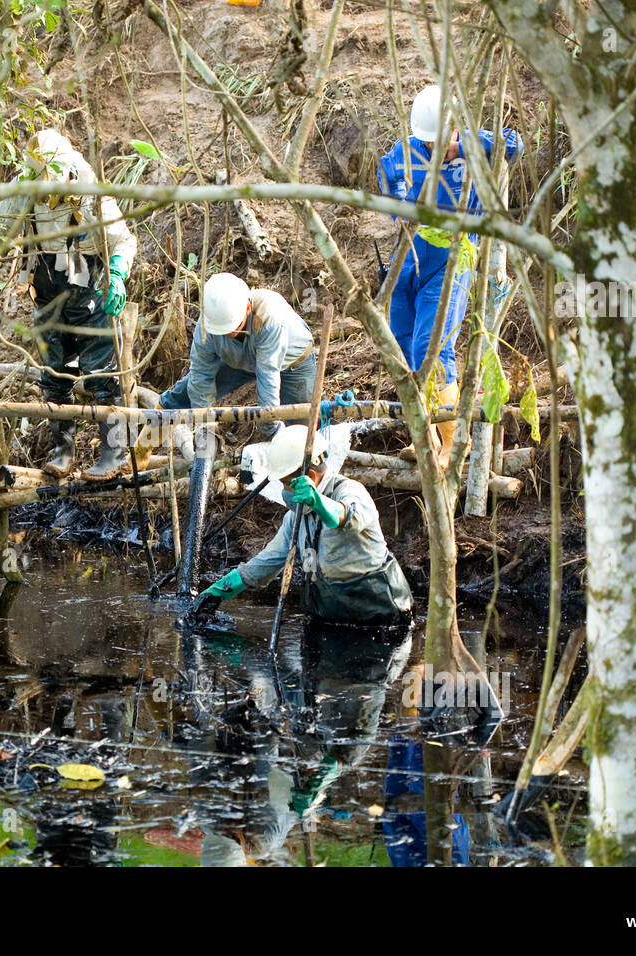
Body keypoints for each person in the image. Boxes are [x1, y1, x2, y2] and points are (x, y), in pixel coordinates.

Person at [0, 129, 137, 480]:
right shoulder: (26, 185)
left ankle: (115, 452)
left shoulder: (92, 191)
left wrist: (119, 274)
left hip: (90, 288)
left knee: (100, 371)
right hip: (46, 289)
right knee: (52, 373)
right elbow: (1, 227)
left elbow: (124, 240)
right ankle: (62, 451)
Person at [377, 85, 523, 467]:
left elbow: (515, 146)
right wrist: (398, 210)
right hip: (408, 258)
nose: (433, 149)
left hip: (452, 259)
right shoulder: (405, 153)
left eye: (440, 141)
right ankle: (424, 438)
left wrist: (468, 146)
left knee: (433, 346)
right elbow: (387, 178)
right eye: (428, 142)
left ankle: (453, 442)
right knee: (403, 345)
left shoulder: (474, 150)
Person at [199, 424, 412, 625]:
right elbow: (262, 566)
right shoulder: (295, 519)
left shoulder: (350, 492)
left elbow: (346, 518)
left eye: (285, 484)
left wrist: (317, 502)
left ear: (310, 476)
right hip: (329, 619)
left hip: (380, 619)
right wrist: (216, 592)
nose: (284, 492)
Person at [158, 273, 315, 437]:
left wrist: (270, 427)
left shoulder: (269, 317)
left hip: (293, 364)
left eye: (232, 328)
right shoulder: (209, 323)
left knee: (300, 429)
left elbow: (268, 376)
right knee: (183, 393)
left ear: (247, 309)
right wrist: (206, 427)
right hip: (242, 360)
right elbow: (201, 374)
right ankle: (146, 440)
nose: (227, 334)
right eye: (222, 331)